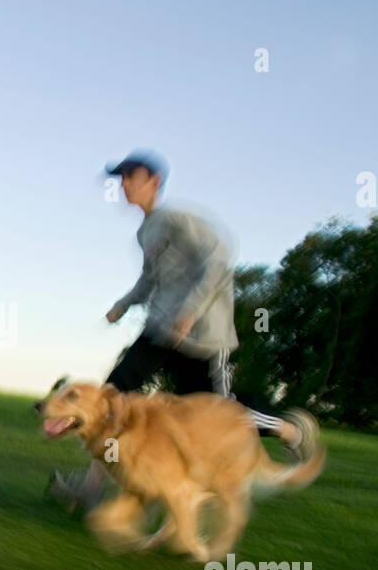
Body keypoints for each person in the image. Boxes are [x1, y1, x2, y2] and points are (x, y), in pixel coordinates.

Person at [50, 150, 319, 512]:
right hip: (159, 330)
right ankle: (93, 487)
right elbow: (150, 279)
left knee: (218, 416)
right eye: (121, 179)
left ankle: (291, 431)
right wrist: (125, 303)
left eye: (132, 177)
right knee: (111, 397)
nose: (125, 185)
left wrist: (191, 310)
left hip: (203, 336)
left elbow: (219, 258)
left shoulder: (178, 219)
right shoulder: (145, 232)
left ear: (154, 182)